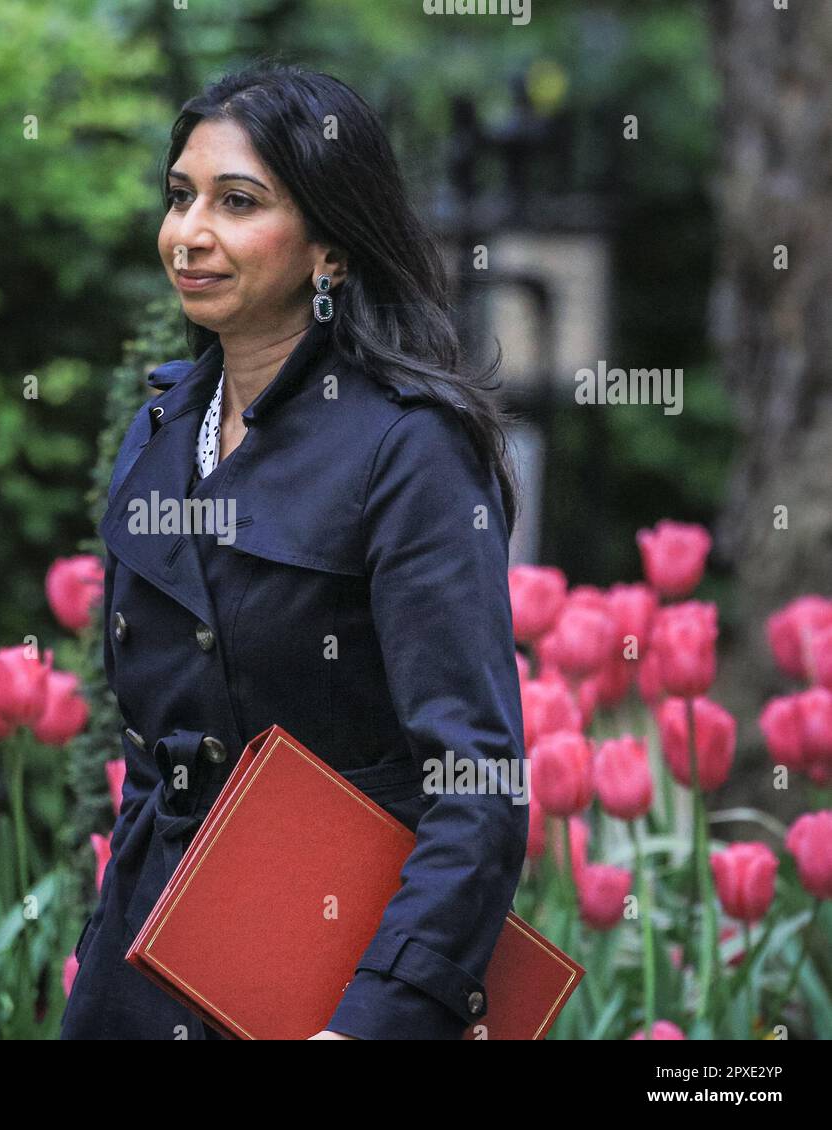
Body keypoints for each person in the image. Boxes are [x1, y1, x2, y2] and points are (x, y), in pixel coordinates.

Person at [60, 61, 529, 1040]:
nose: (188, 234)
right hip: (147, 970)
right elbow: (149, 765)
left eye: (237, 203)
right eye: (180, 196)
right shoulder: (156, 428)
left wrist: (373, 1016)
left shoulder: (410, 450)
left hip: (337, 984)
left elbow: (474, 781)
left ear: (330, 250)